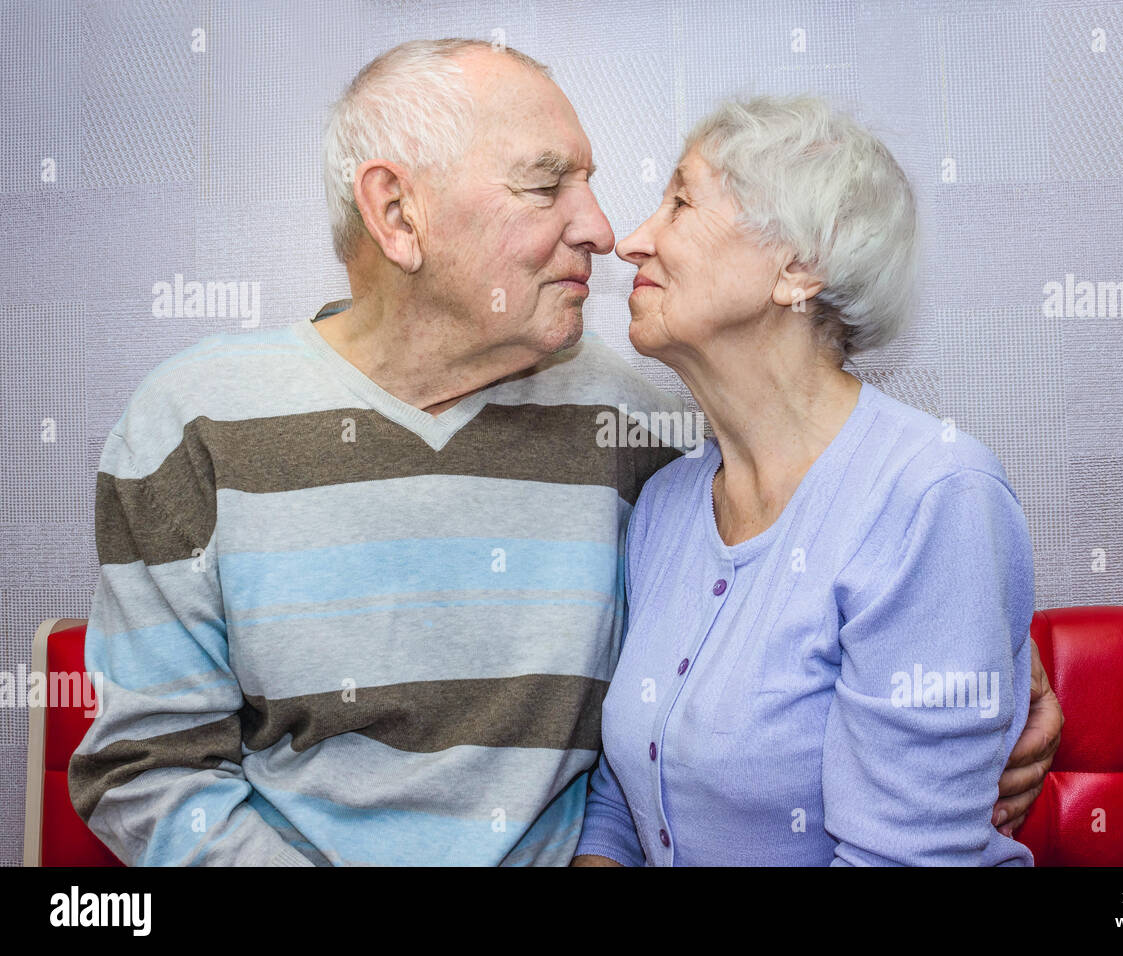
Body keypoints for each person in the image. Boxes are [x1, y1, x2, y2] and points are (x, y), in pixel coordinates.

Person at [69, 40, 1059, 866]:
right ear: (397, 213)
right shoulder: (190, 423)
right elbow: (149, 768)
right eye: (548, 185)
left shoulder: (636, 428)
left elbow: (861, 543)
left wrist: (995, 674)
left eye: (622, 191)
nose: (604, 230)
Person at [574, 95, 1051, 865]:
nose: (631, 242)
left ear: (799, 265)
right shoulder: (664, 504)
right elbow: (621, 807)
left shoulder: (935, 494)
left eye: (681, 202)